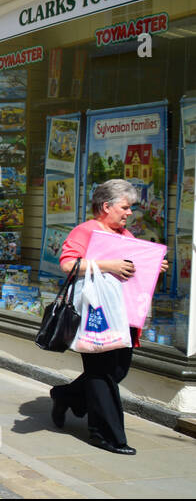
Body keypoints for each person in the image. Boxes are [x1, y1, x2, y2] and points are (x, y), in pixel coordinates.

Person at [49, 180, 169, 455]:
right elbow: (68, 264)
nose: (130, 212)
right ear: (106, 206)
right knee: (101, 374)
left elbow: (130, 269)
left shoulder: (125, 234)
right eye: (125, 207)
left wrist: (153, 265)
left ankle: (65, 395)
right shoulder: (86, 230)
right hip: (97, 314)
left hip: (123, 314)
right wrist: (108, 265)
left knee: (117, 371)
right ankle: (106, 436)